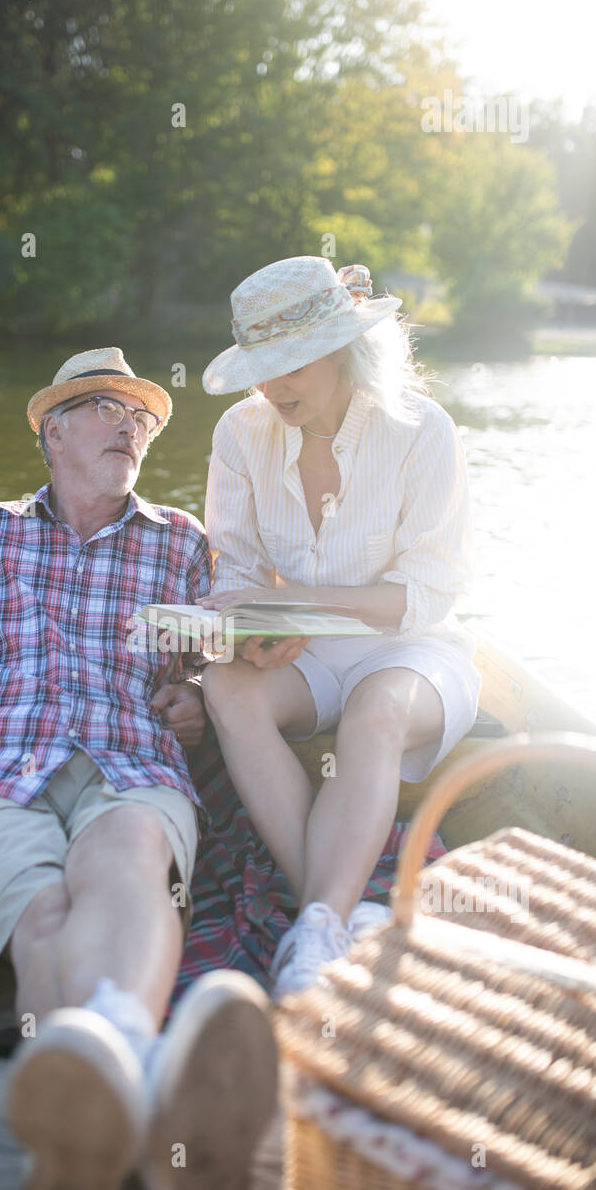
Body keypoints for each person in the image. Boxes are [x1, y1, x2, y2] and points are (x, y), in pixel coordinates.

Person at [0, 348, 278, 1190]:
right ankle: (145, 1111)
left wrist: (192, 703)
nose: (131, 428)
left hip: (128, 765)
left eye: (142, 417)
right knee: (42, 914)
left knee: (130, 851)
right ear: (51, 429)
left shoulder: (183, 544)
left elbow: (200, 671)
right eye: (105, 408)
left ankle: (80, 1128)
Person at [198, 257, 481, 998]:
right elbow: (235, 575)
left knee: (375, 710)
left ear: (344, 349)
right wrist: (261, 625)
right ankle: (330, 920)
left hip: (412, 651)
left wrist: (305, 604)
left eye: (290, 363)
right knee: (227, 687)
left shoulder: (423, 431)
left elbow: (425, 593)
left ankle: (316, 922)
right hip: (309, 649)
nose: (271, 384)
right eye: (261, 366)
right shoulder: (239, 433)